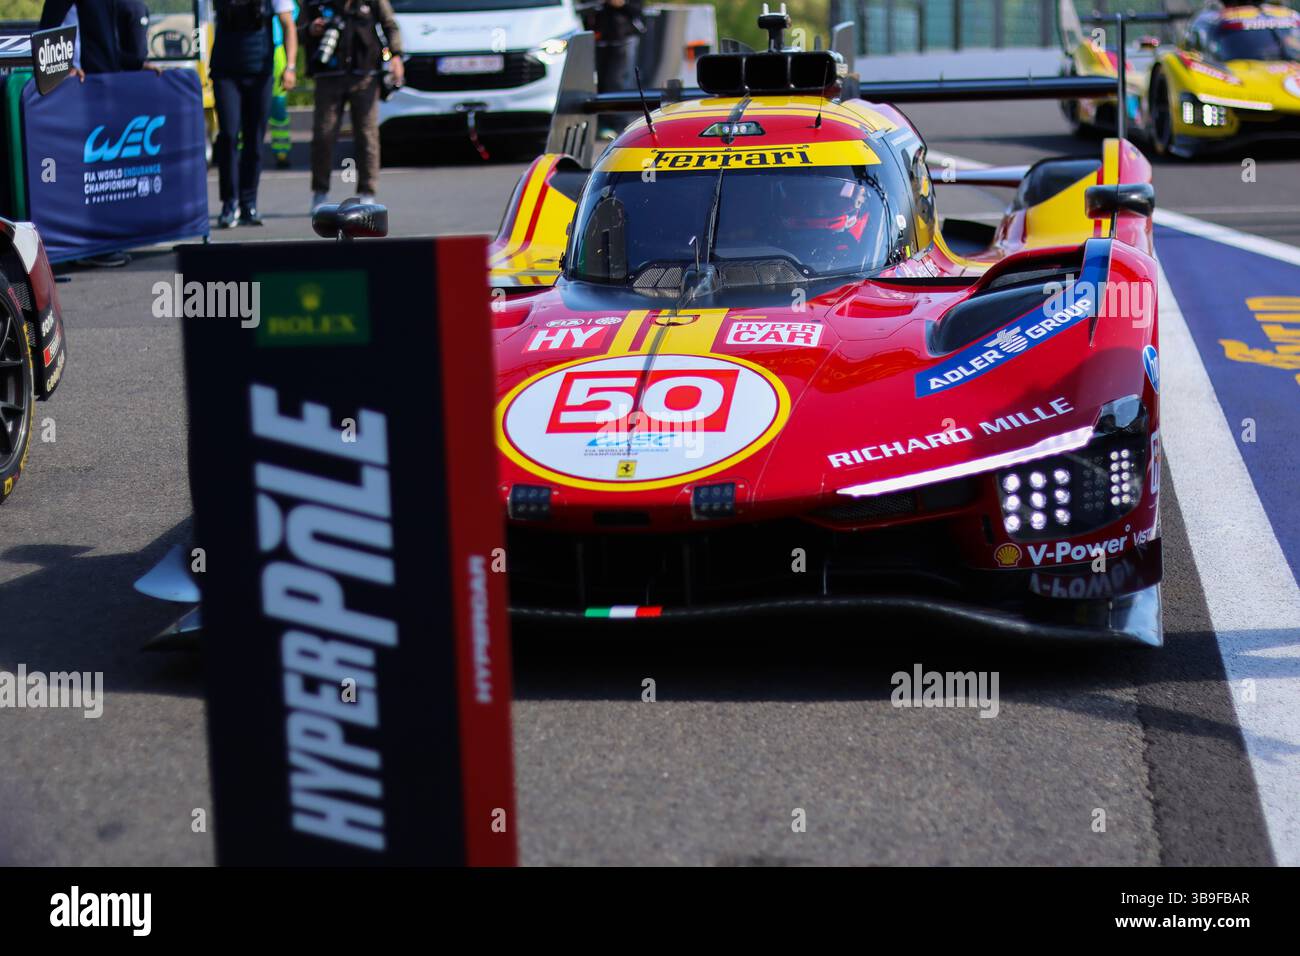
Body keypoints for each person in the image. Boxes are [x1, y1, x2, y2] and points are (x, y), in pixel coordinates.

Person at [301, 0, 404, 213]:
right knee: (323, 134)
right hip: (329, 75)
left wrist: (396, 56)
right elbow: (297, 31)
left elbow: (390, 25)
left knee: (367, 134)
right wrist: (311, 29)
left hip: (364, 75)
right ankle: (320, 192)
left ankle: (367, 192)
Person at [210, 0, 298, 228]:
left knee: (254, 139)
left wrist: (290, 66)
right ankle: (230, 203)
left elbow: (288, 25)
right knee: (229, 135)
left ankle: (249, 203)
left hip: (260, 72)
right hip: (225, 71)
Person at [593, 0, 644, 138]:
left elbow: (638, 9)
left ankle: (620, 126)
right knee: (600, 84)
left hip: (623, 39)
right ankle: (603, 124)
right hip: (599, 40)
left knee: (617, 82)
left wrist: (620, 4)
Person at [269, 1, 299, 168]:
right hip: (257, 47)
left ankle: (281, 151)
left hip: (276, 48)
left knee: (278, 104)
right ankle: (241, 152)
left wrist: (290, 67)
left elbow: (290, 21)